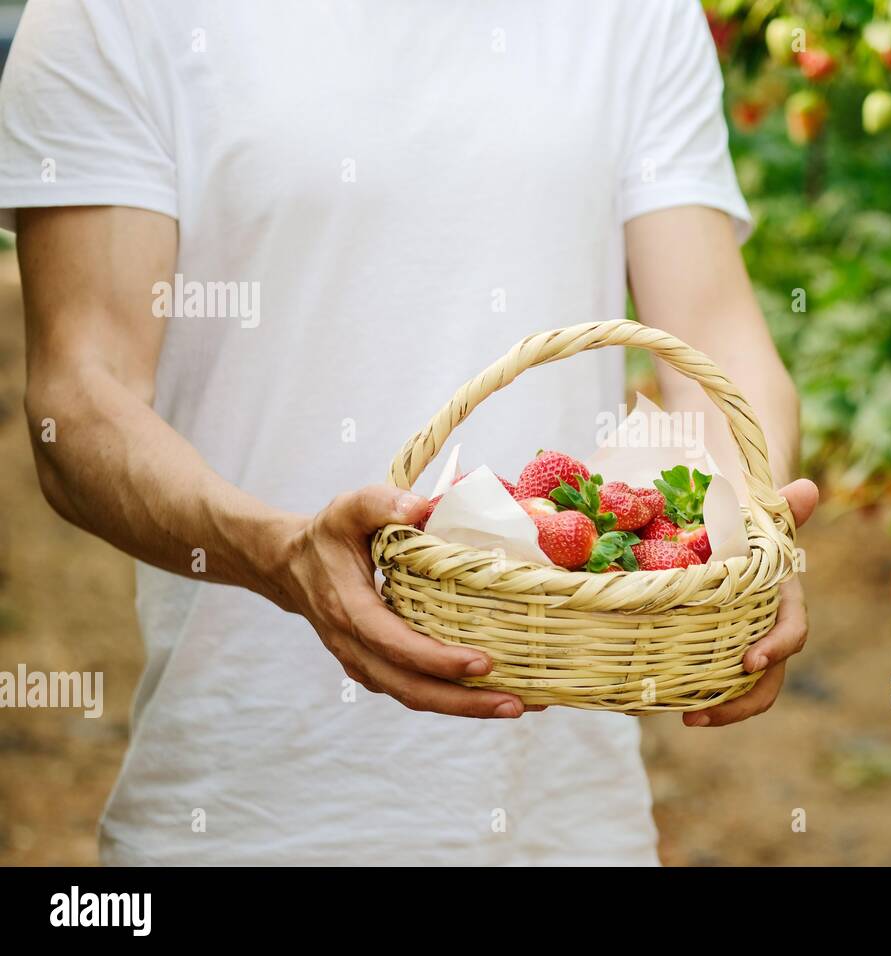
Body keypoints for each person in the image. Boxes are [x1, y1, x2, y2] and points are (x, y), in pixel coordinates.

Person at [0, 0, 816, 864]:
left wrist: (745, 530)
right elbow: (78, 399)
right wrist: (278, 554)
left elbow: (712, 336)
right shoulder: (115, 12)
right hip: (243, 821)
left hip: (566, 828)